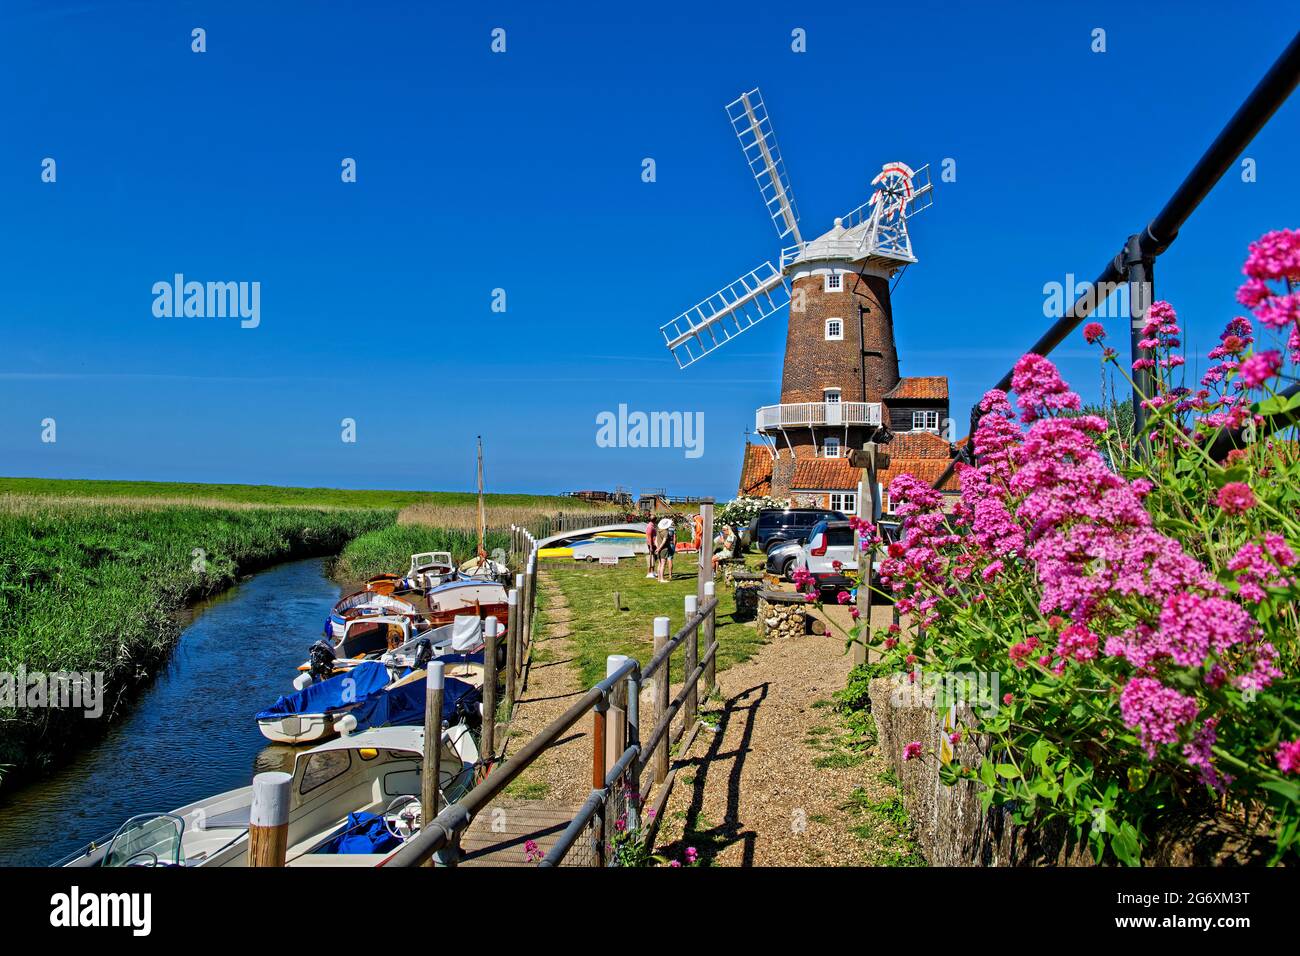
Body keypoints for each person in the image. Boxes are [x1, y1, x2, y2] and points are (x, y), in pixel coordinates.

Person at [645, 514, 657, 579]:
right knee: (651, 558)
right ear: (654, 520)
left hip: (653, 544)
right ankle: (649, 572)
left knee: (654, 557)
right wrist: (651, 546)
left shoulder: (652, 526)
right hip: (651, 544)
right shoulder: (650, 526)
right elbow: (649, 537)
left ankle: (653, 571)